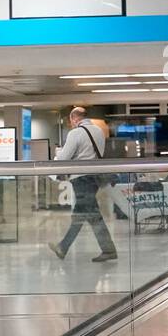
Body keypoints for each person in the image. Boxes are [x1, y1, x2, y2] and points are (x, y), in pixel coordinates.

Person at [49, 107, 117, 262]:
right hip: (94, 178)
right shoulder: (99, 131)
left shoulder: (76, 133)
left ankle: (64, 247)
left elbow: (65, 157)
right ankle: (107, 250)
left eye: (71, 121)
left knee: (83, 214)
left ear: (74, 119)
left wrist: (57, 154)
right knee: (89, 214)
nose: (71, 124)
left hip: (81, 179)